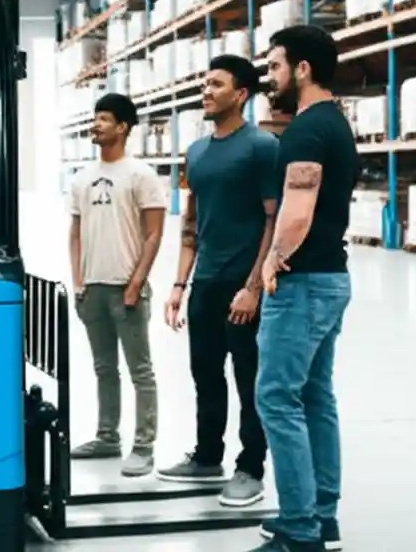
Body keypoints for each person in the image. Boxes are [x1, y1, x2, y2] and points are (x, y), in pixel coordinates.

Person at [250, 25, 358, 552]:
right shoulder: (335, 123)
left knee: (276, 396)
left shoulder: (306, 130)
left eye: (274, 66)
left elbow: (297, 211)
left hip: (304, 283)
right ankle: (322, 513)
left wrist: (272, 260)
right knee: (315, 395)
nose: (269, 77)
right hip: (331, 278)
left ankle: (299, 528)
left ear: (303, 69)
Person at [158, 55, 277, 509]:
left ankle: (251, 468)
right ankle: (208, 457)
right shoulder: (197, 152)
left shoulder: (261, 147)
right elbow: (191, 222)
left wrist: (252, 286)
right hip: (205, 282)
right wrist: (178, 285)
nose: (205, 91)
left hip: (242, 283)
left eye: (216, 84)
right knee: (205, 375)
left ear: (241, 94)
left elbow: (272, 219)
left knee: (249, 378)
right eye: (204, 84)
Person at [67, 92, 166, 478]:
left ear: (123, 127)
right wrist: (78, 282)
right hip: (92, 289)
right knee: (103, 368)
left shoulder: (140, 175)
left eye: (104, 119)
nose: (96, 124)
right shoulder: (81, 178)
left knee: (140, 369)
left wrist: (135, 282)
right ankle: (107, 437)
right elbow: (74, 233)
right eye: (95, 118)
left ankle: (144, 446)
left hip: (127, 287)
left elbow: (154, 234)